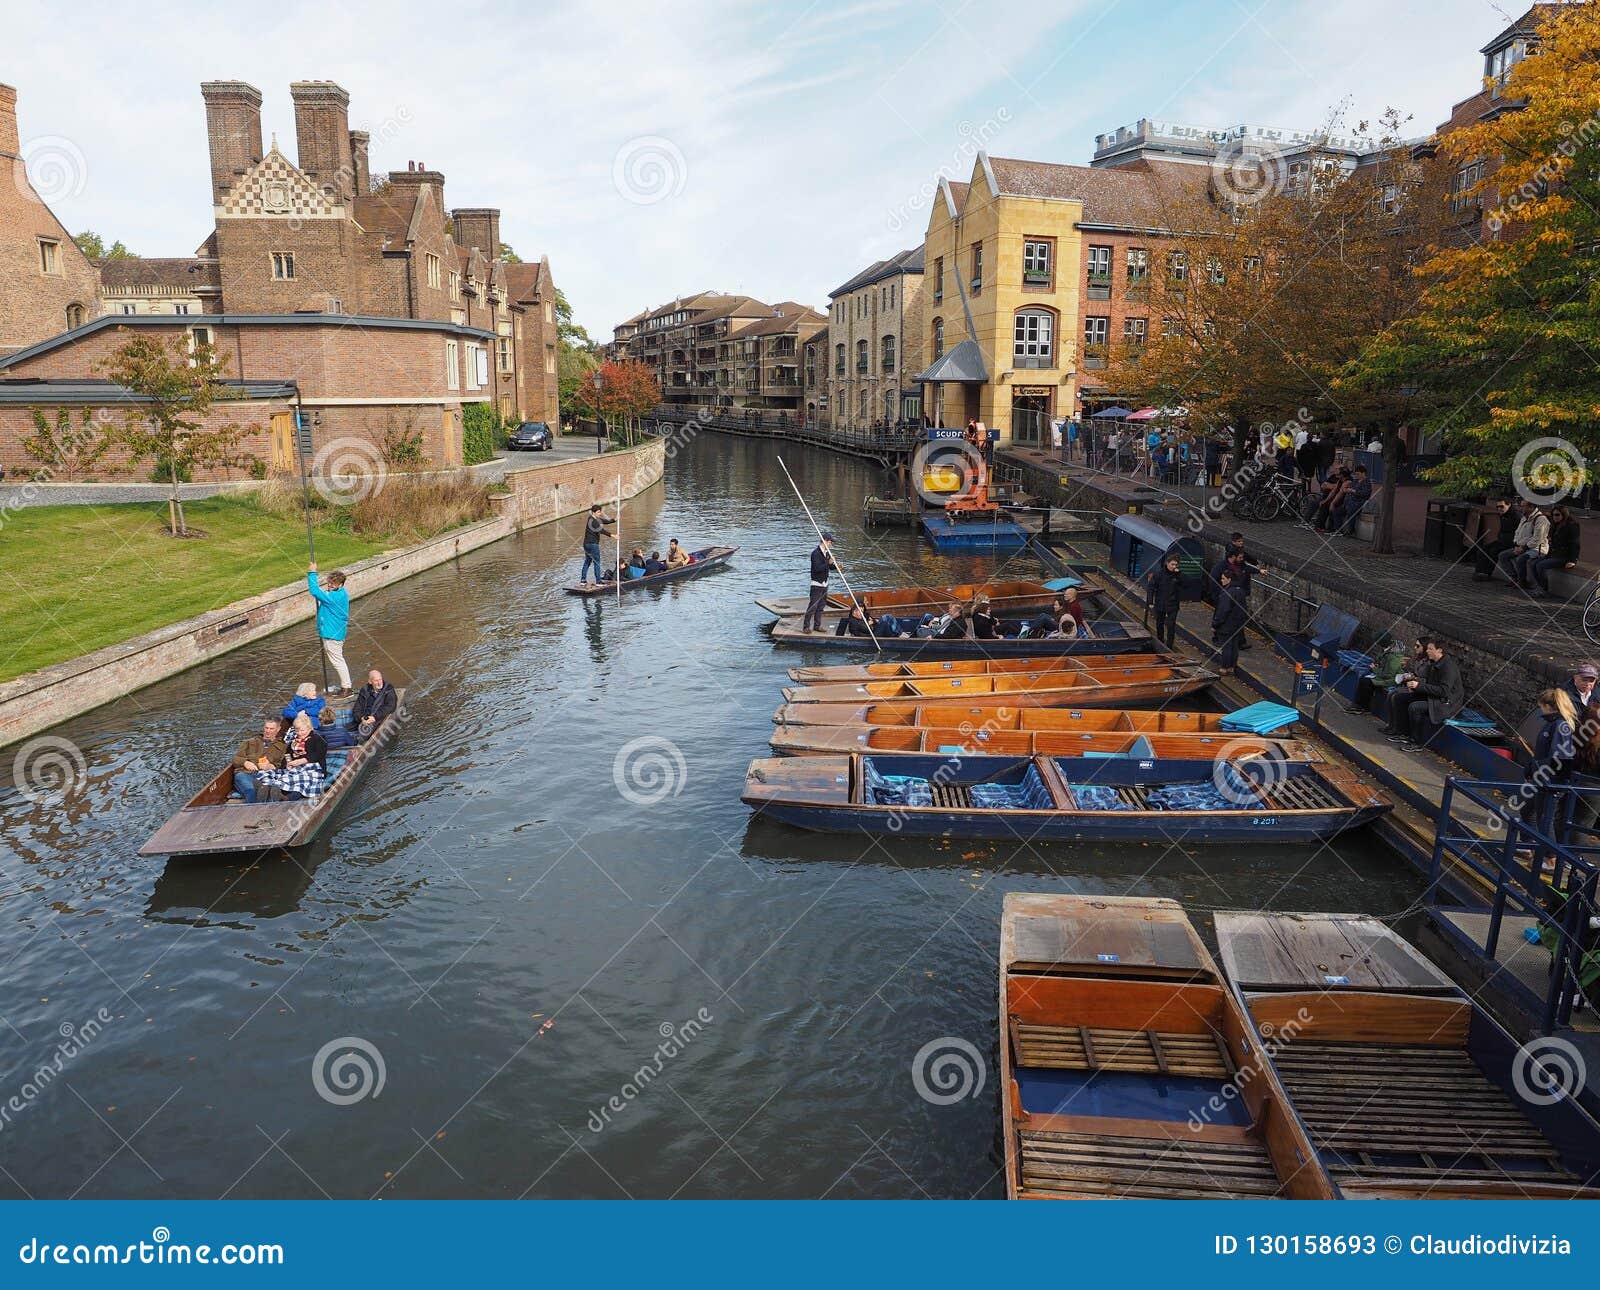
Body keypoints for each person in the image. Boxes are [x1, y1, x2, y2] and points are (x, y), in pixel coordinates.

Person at [1382, 637, 1464, 751]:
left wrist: (1418, 686)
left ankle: (1416, 742)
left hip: (1446, 703)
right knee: (1400, 698)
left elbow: (1444, 691)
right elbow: (1430, 684)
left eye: (1430, 649)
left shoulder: (1448, 667)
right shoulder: (1434, 663)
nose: (1427, 651)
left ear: (1439, 651)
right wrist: (1415, 688)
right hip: (1433, 697)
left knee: (1415, 707)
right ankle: (1402, 732)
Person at [257, 711, 328, 802]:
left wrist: (302, 761)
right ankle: (268, 788)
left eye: (302, 730)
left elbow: (319, 754)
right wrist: (288, 763)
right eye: (297, 730)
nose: (299, 733)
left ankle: (286, 797)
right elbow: (287, 754)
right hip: (295, 768)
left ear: (310, 728)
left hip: (313, 770)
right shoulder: (294, 741)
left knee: (302, 781)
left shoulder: (317, 739)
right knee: (276, 774)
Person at [306, 564, 351, 695]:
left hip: (332, 635)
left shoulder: (333, 597)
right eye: (329, 582)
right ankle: (346, 686)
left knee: (337, 661)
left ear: (341, 584)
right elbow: (323, 593)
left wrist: (312, 572)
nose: (330, 585)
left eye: (333, 584)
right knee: (338, 660)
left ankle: (347, 688)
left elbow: (314, 590)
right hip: (334, 633)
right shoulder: (341, 593)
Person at [1347, 637, 1413, 716]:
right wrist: (1377, 666)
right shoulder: (1388, 651)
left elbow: (1388, 675)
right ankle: (1358, 705)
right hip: (1385, 676)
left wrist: (1375, 669)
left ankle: (1363, 707)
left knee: (1365, 681)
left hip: (1391, 680)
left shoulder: (1394, 657)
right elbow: (1383, 665)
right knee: (1364, 677)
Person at [1529, 504, 1580, 597]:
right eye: (1553, 515)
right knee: (1533, 563)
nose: (1554, 517)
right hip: (1553, 553)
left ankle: (1544, 589)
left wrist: (1572, 560)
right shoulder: (1555, 525)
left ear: (1564, 515)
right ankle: (1539, 585)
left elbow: (1575, 544)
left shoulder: (1572, 526)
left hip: (1564, 556)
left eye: (1557, 515)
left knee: (1541, 565)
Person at [231, 717, 287, 803]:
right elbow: (235, 759)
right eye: (266, 728)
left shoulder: (282, 746)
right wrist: (245, 762)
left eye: (271, 729)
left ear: (278, 729)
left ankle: (267, 796)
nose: (268, 731)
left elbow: (283, 765)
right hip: (246, 773)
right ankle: (260, 807)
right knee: (251, 791)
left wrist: (271, 766)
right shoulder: (249, 742)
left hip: (267, 775)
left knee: (268, 790)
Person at [1497, 500, 1551, 587]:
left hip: (1537, 549)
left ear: (1531, 507)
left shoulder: (1541, 519)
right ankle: (1514, 578)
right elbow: (1517, 532)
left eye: (1523, 506)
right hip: (1521, 547)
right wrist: (1516, 545)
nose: (1520, 508)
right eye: (1520, 506)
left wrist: (1523, 548)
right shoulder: (1524, 517)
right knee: (1503, 556)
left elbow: (1537, 539)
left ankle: (1522, 582)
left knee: (1520, 559)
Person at [1469, 499, 1520, 581]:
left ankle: (1486, 573)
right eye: (1497, 507)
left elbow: (1519, 532)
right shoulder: (1503, 514)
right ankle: (1479, 571)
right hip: (1502, 540)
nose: (1499, 508)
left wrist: (1516, 543)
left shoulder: (1516, 516)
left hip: (1512, 542)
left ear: (1509, 505)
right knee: (1484, 549)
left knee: (1494, 551)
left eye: (1501, 506)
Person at [1211, 568, 1248, 674]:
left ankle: (1224, 668)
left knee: (1226, 647)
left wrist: (1215, 623)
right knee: (1234, 646)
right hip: (1237, 625)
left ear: (1229, 579)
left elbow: (1223, 610)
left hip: (1226, 625)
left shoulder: (1227, 592)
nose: (1221, 580)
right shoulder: (1241, 591)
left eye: (1223, 578)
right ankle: (1232, 667)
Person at [1145, 552, 1183, 648]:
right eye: (1172, 564)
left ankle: (1169, 645)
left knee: (1171, 625)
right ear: (1167, 563)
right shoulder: (1159, 574)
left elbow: (1186, 585)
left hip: (1173, 605)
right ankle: (1160, 641)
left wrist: (1179, 575)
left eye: (1176, 564)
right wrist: (1150, 602)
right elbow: (1151, 587)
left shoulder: (1178, 575)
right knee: (1160, 623)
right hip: (1161, 603)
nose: (1174, 566)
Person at [802, 533, 837, 632]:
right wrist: (828, 562)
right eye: (830, 542)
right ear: (825, 541)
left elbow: (829, 567)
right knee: (813, 606)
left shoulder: (827, 553)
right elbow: (817, 569)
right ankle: (806, 627)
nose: (831, 544)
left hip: (825, 583)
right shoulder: (815, 553)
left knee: (821, 606)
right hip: (817, 584)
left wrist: (836, 566)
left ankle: (817, 625)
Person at [351, 668, 397, 741]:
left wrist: (374, 717)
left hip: (378, 718)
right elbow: (357, 709)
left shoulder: (388, 689)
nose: (379, 683)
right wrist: (361, 718)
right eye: (376, 681)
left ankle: (359, 740)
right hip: (364, 719)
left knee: (363, 733)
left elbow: (391, 706)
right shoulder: (364, 690)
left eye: (380, 679)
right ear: (370, 682)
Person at [1330, 464, 1373, 537]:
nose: (1356, 475)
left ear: (1363, 473)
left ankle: (1350, 531)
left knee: (1351, 512)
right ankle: (1338, 530)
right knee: (1336, 511)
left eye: (1358, 474)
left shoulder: (1367, 483)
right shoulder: (1355, 481)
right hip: (1348, 503)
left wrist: (1353, 491)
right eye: (1355, 474)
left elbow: (1364, 493)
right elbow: (1346, 489)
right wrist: (1347, 490)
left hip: (1358, 503)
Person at [581, 504, 615, 584]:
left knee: (587, 562)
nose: (600, 513)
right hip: (593, 544)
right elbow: (601, 530)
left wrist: (614, 520)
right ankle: (598, 581)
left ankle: (583, 580)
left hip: (586, 544)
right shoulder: (594, 522)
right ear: (594, 512)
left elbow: (604, 521)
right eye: (598, 512)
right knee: (597, 562)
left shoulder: (591, 519)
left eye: (600, 512)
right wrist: (613, 535)